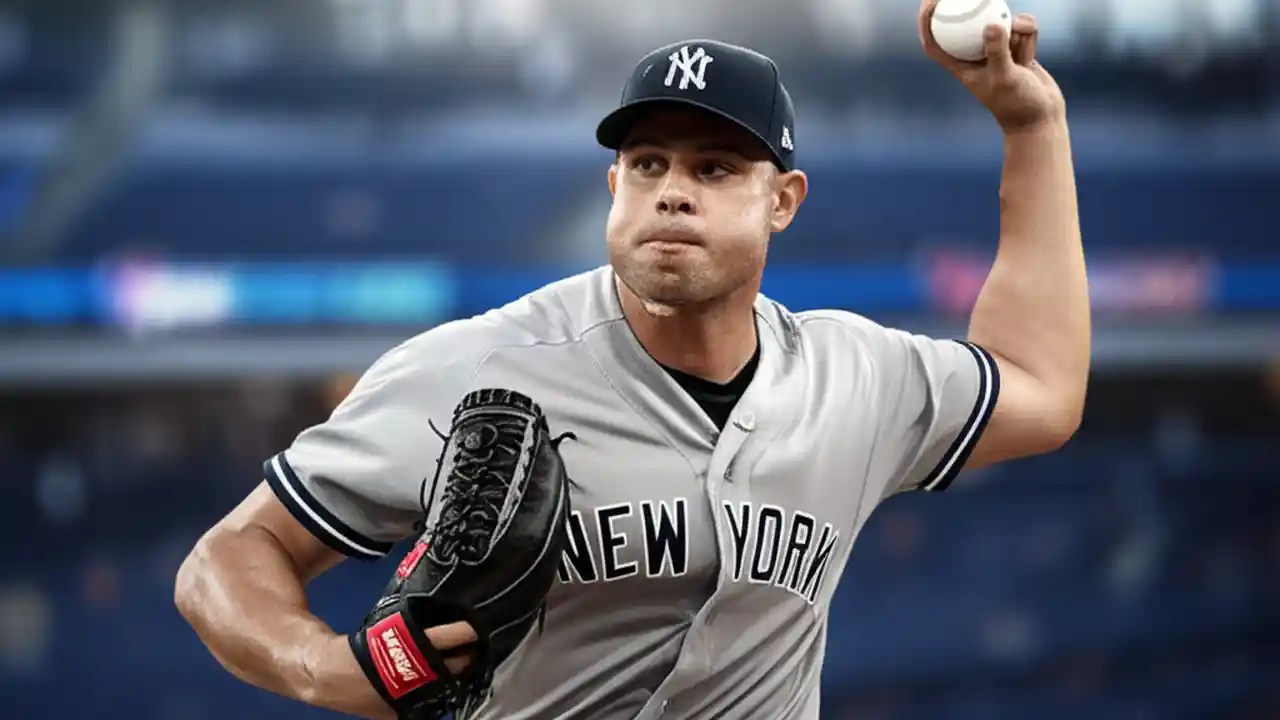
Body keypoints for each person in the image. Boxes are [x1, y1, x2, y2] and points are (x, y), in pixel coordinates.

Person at [175, 3, 1088, 718]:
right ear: (615, 186)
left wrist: (1032, 124)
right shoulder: (477, 368)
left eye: (716, 169)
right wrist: (327, 667)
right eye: (648, 164)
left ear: (785, 201)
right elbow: (229, 556)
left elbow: (1040, 388)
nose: (674, 194)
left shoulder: (855, 377)